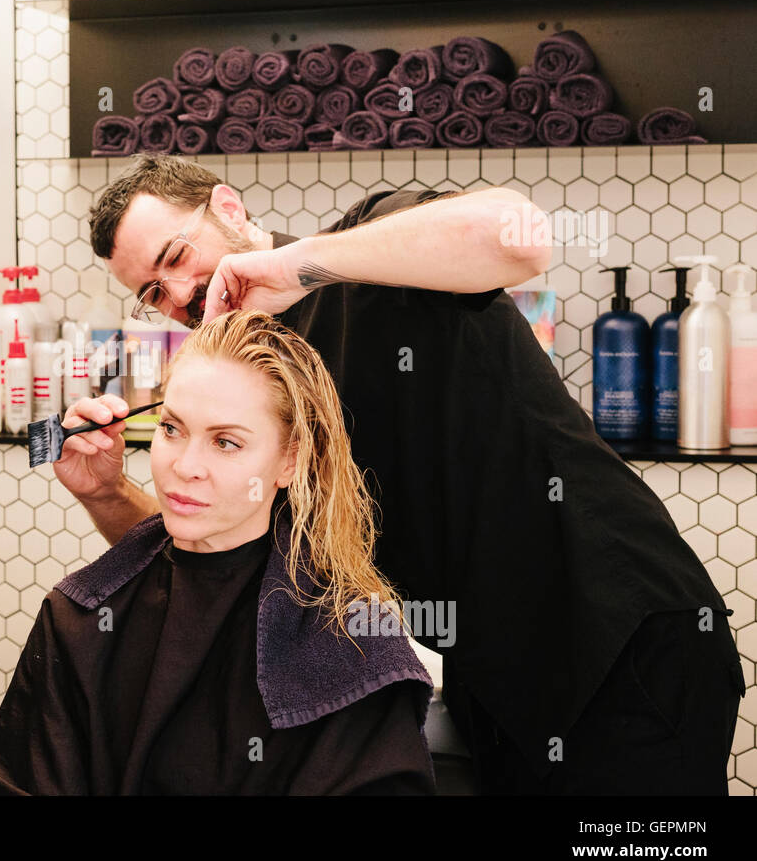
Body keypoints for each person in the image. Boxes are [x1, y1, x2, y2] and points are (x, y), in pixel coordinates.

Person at [53, 152, 744, 795]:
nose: (178, 291)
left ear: (229, 209)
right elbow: (219, 555)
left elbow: (519, 237)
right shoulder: (263, 387)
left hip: (616, 638)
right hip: (497, 682)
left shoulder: (369, 253)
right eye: (152, 291)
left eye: (176, 256)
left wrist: (301, 267)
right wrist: (108, 490)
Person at [0, 309, 436, 795]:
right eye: (172, 429)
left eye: (226, 442)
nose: (186, 465)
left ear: (290, 460)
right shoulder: (79, 616)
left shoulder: (353, 643)